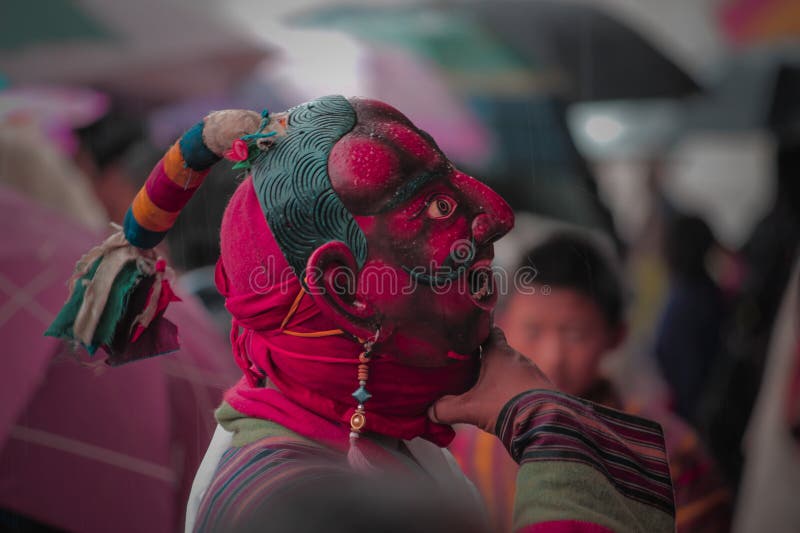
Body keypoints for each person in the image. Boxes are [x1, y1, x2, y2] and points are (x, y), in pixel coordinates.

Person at [49, 96, 676, 533]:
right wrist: (547, 420)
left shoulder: (368, 435)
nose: (493, 212)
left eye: (453, 182)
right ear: (345, 291)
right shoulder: (291, 505)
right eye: (433, 206)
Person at [463, 231, 728, 533]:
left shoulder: (669, 454)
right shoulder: (467, 449)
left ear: (617, 335)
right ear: (503, 325)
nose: (552, 358)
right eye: (533, 331)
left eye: (575, 334)